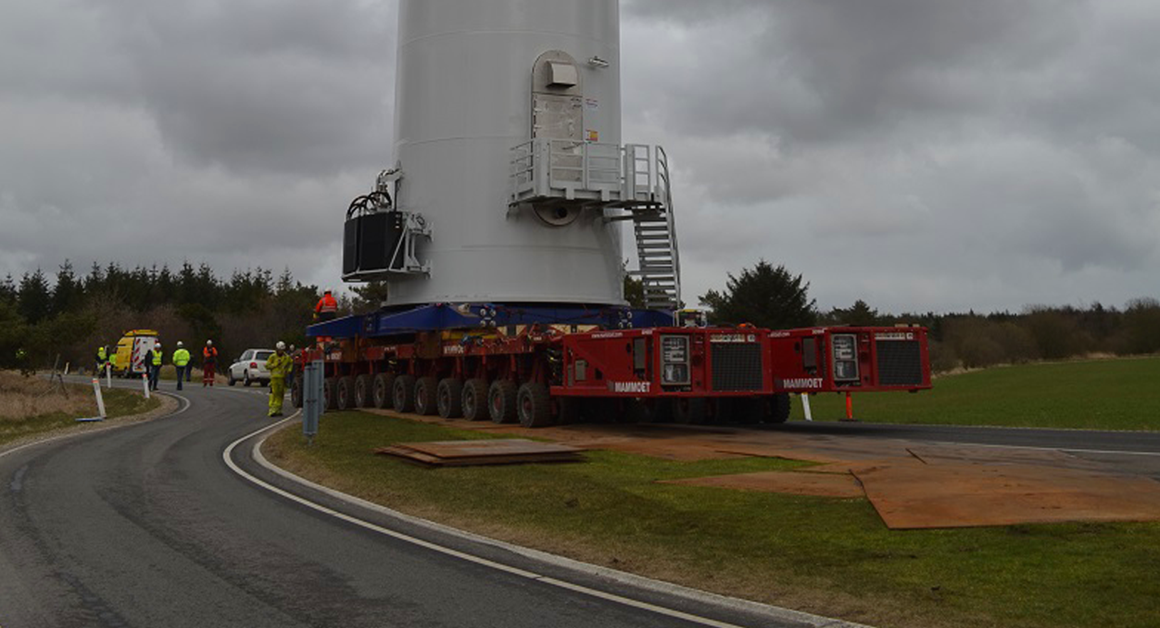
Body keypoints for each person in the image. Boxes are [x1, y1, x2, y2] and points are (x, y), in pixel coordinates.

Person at [265, 341, 294, 417]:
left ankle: (278, 410)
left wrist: (289, 370)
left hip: (282, 378)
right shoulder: (273, 357)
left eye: (282, 350)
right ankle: (272, 410)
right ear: (277, 349)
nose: (280, 351)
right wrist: (274, 365)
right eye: (279, 350)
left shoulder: (286, 357)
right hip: (274, 378)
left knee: (281, 394)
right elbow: (267, 365)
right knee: (275, 394)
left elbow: (291, 362)